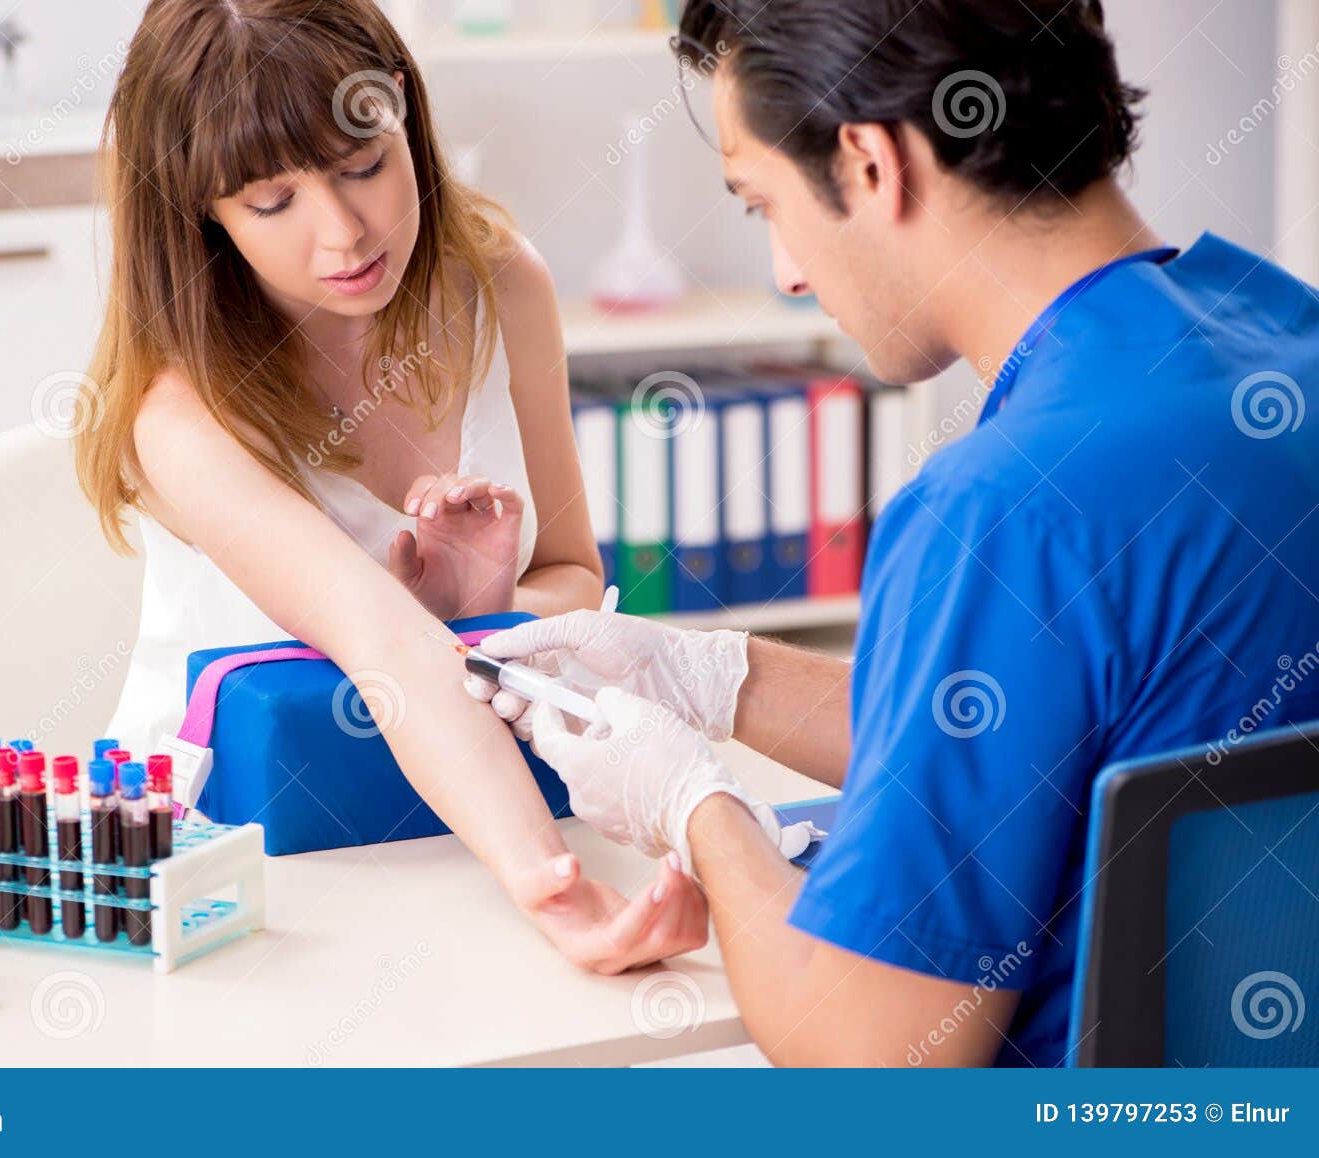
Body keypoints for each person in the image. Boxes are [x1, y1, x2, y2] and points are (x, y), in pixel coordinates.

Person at [470, 0, 1319, 1064]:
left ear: (870, 165)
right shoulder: (1286, 338)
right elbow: (1047, 730)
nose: (785, 269)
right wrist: (712, 677)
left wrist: (697, 809)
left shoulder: (1002, 509)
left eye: (762, 205)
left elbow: (869, 1065)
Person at [76, 0, 708, 973]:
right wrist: (555, 889)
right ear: (201, 209)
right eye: (272, 202)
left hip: (450, 809)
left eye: (362, 162)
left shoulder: (499, 285)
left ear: (403, 111)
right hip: (227, 863)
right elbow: (380, 642)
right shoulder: (185, 412)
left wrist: (481, 609)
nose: (343, 234)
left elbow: (573, 574)